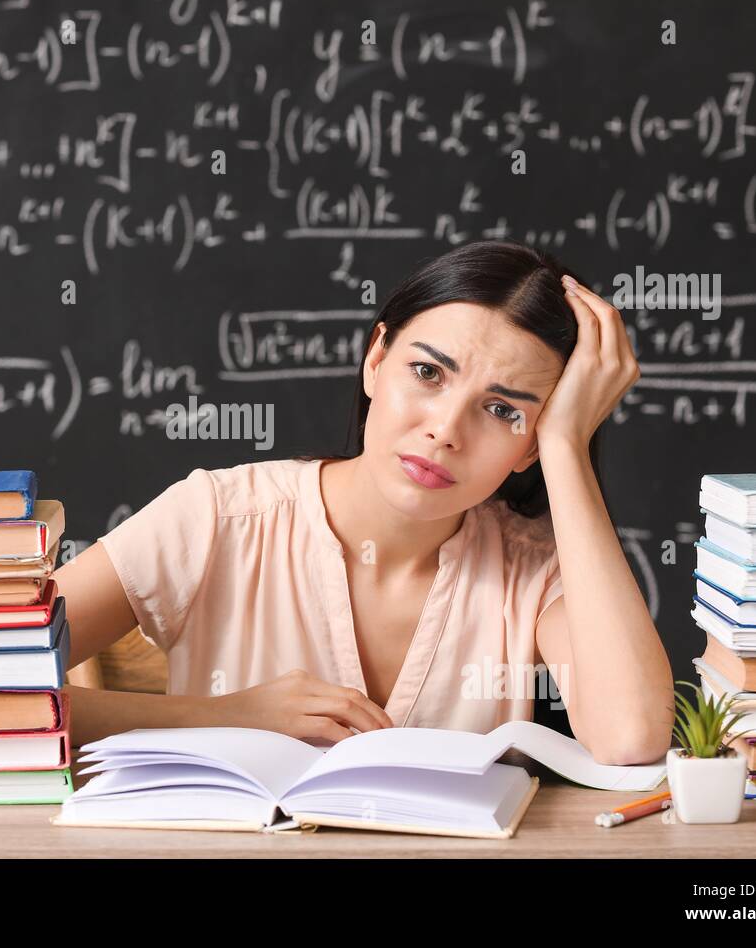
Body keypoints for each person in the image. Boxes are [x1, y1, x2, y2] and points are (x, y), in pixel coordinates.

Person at [53, 240, 673, 763]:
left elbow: (632, 738)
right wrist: (224, 717)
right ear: (376, 360)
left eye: (503, 410)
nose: (445, 430)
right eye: (428, 373)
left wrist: (566, 442)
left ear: (529, 445)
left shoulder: (533, 568)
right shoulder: (220, 515)